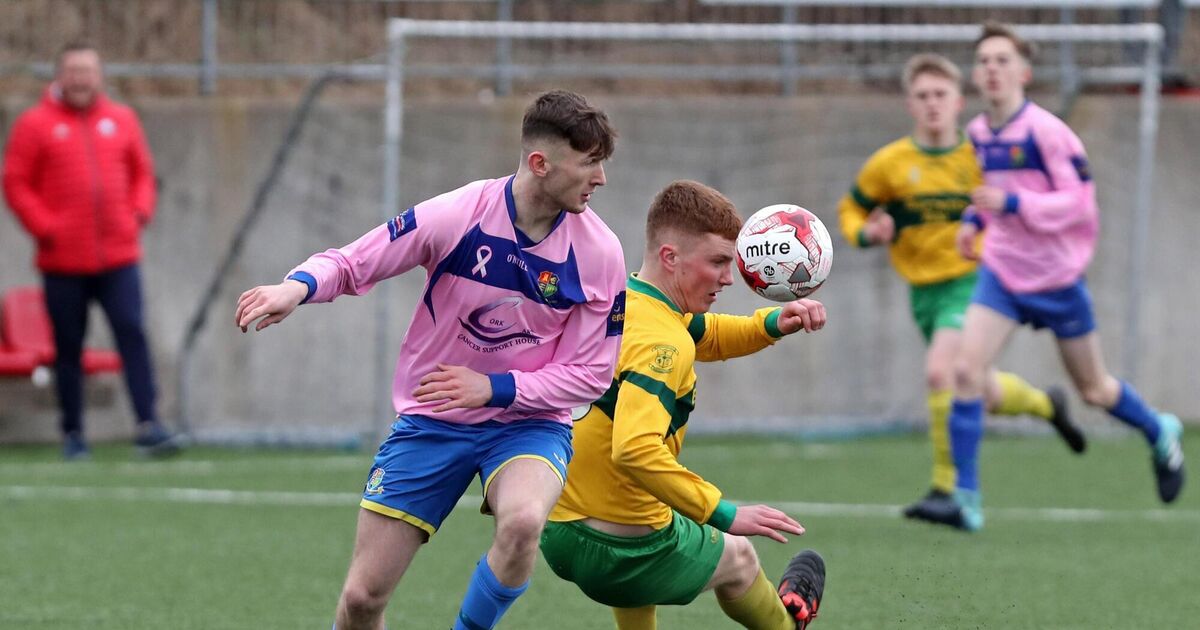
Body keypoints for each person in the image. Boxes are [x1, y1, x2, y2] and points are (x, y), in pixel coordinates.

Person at [234, 90, 625, 630]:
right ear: (541, 163)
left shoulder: (599, 252)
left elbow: (592, 373)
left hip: (528, 425)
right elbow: (357, 260)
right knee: (361, 600)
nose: (601, 178)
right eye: (589, 162)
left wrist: (496, 388)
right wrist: (297, 287)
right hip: (433, 420)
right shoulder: (459, 214)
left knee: (523, 523)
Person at [540, 180, 827, 630]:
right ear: (671, 256)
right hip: (619, 550)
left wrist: (772, 322)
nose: (729, 278)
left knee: (648, 510)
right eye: (717, 262)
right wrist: (724, 512)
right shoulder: (664, 343)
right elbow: (635, 450)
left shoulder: (622, 299)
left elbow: (702, 332)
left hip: (558, 529)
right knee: (740, 558)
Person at [945, 22, 1185, 531]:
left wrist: (1015, 203)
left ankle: (1159, 429)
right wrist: (974, 222)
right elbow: (989, 192)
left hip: (1056, 278)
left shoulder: (1048, 132)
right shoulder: (979, 132)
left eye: (1002, 60)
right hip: (1003, 273)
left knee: (1094, 390)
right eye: (984, 61)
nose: (991, 69)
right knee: (965, 372)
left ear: (1024, 73)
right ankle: (964, 499)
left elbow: (1079, 203)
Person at [836, 52, 1085, 525]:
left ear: (958, 101)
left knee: (940, 374)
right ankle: (1044, 404)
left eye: (941, 95)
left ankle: (948, 488)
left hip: (974, 282)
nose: (933, 104)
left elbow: (1017, 202)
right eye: (923, 96)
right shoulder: (890, 163)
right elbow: (850, 210)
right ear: (910, 104)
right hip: (923, 294)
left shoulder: (979, 157)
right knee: (978, 387)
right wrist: (869, 233)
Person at [2, 42, 180, 460]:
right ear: (59, 76)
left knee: (132, 333)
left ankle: (148, 424)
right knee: (68, 347)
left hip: (119, 258)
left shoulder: (121, 120)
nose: (81, 79)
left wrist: (137, 214)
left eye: (88, 71)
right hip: (62, 261)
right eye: (73, 71)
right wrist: (46, 228)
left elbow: (143, 176)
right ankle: (73, 434)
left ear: (100, 76)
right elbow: (15, 183)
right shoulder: (34, 125)